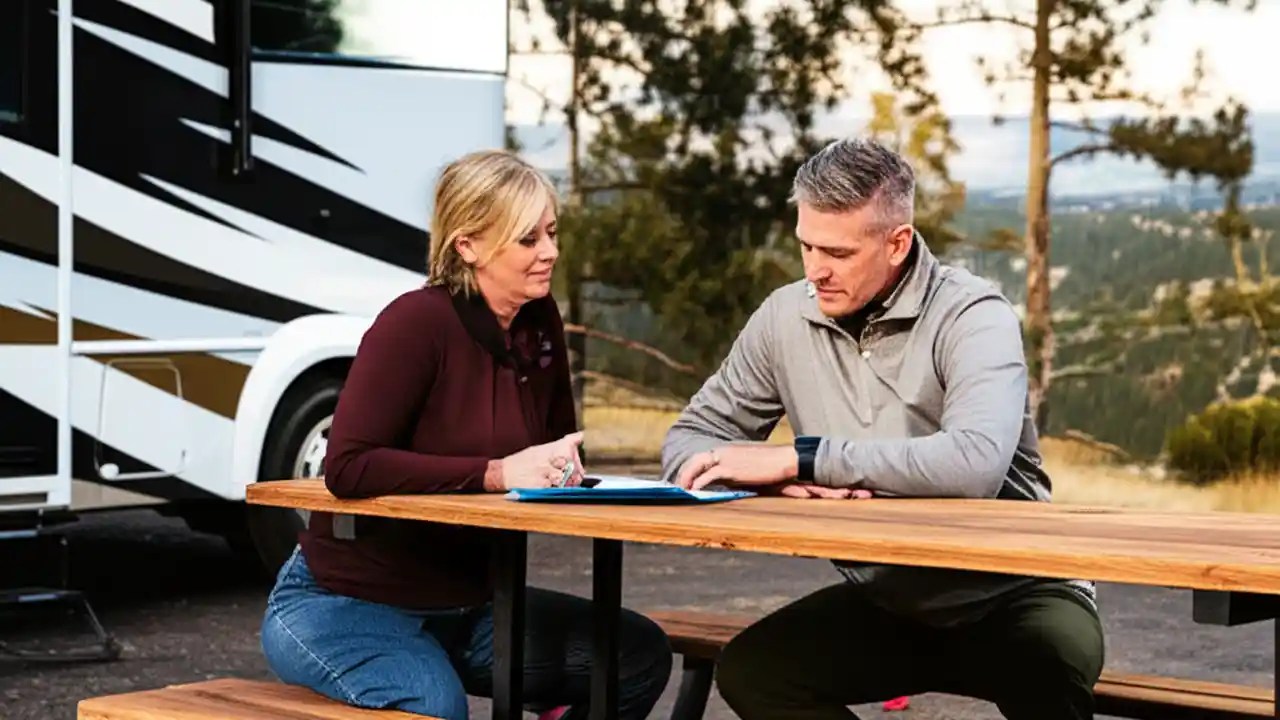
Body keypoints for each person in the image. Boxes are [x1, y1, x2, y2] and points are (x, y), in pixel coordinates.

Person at [661, 137, 1104, 720]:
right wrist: (769, 482)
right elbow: (689, 440)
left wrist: (803, 458)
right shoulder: (784, 317)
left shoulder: (974, 315)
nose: (815, 271)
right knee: (755, 673)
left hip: (1020, 596)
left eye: (838, 254)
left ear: (897, 243)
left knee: (1048, 666)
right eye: (806, 246)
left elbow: (972, 463)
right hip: (891, 603)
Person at [260, 149, 672, 720]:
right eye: (528, 240)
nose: (550, 252)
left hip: (474, 607)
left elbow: (550, 449)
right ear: (468, 245)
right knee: (435, 705)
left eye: (551, 233)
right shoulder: (414, 323)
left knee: (634, 655)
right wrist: (494, 474)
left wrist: (562, 473)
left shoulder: (537, 320)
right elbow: (348, 467)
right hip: (343, 604)